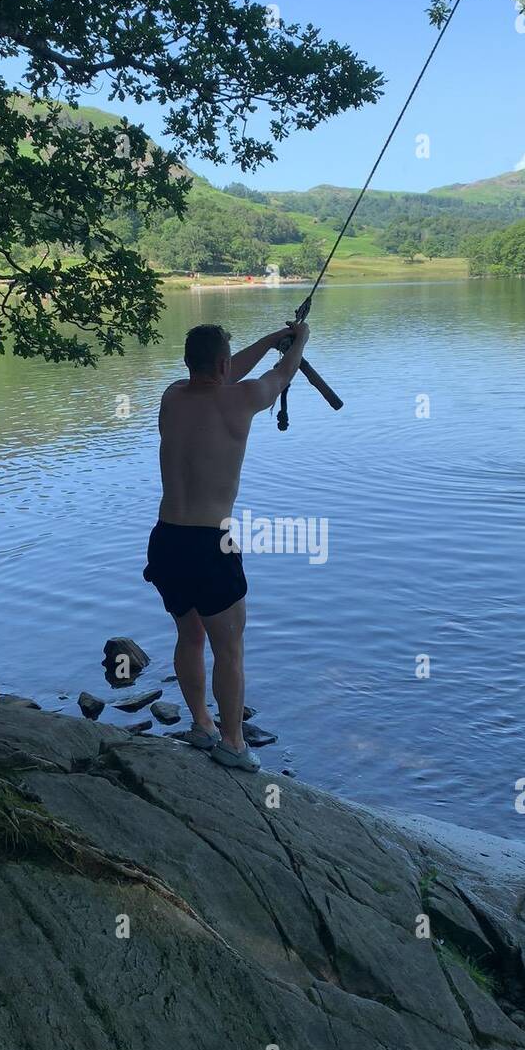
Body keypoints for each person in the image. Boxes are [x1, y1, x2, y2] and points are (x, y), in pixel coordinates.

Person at [144, 320, 310, 771]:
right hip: (209, 544)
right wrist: (299, 342)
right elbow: (282, 376)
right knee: (230, 647)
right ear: (222, 363)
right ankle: (233, 743)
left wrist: (273, 339)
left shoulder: (172, 397)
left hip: (166, 539)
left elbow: (222, 372)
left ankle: (201, 725)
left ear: (188, 362)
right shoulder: (243, 399)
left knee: (189, 634)